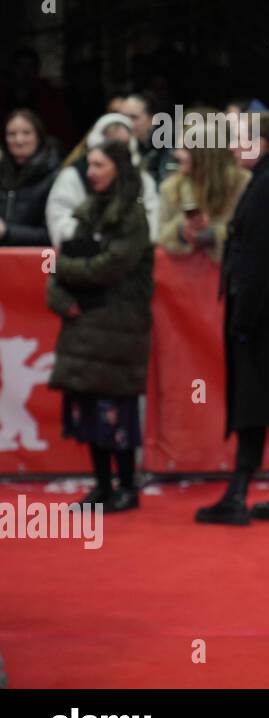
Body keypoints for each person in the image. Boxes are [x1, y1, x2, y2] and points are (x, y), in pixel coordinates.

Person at [196, 111, 269, 525]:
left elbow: (258, 259)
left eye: (239, 139)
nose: (231, 146)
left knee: (261, 400)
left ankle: (244, 490)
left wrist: (243, 319)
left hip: (266, 312)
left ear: (260, 143)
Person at [45, 140, 154, 512]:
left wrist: (64, 269)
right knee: (88, 406)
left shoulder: (133, 217)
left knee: (116, 408)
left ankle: (126, 485)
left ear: (118, 169)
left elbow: (111, 265)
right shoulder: (85, 210)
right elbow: (63, 264)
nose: (90, 172)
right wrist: (60, 296)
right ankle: (102, 486)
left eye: (98, 165)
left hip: (119, 328)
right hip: (84, 329)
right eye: (88, 165)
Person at [47, 112, 160, 248]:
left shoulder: (142, 180)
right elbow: (59, 225)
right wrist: (98, 238)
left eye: (123, 145)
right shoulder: (72, 177)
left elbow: (154, 224)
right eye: (111, 144)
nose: (117, 152)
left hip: (130, 255)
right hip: (83, 252)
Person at [157, 109, 250, 262]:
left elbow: (250, 234)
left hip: (235, 273)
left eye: (184, 149)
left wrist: (214, 235)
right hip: (185, 277)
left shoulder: (243, 184)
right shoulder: (171, 188)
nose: (176, 154)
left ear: (205, 154)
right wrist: (181, 230)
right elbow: (161, 235)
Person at [0, 109, 62, 246]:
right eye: (12, 134)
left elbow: (53, 235)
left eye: (26, 133)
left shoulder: (55, 178)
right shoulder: (2, 172)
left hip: (37, 261)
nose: (19, 140)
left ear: (39, 137)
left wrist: (7, 232)